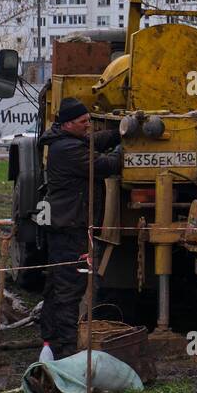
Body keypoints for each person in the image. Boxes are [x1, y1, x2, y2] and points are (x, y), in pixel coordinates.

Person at [38, 97, 121, 360]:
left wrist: (120, 132)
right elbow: (105, 165)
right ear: (68, 124)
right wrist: (126, 149)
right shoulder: (67, 150)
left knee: (56, 285)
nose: (88, 126)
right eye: (84, 122)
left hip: (65, 224)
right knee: (69, 288)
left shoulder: (66, 140)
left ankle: (49, 340)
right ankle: (66, 349)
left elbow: (95, 140)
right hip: (69, 227)